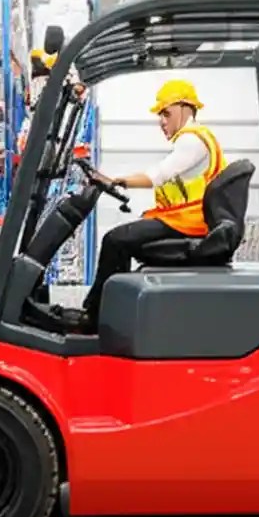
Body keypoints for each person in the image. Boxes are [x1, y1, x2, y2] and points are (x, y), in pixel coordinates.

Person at [72, 78, 225, 332]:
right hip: (186, 220)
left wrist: (119, 181)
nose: (161, 121)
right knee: (123, 239)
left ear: (185, 108)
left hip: (190, 223)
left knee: (115, 240)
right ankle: (111, 313)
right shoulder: (194, 140)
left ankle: (95, 317)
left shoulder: (192, 140)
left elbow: (159, 175)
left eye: (166, 113)